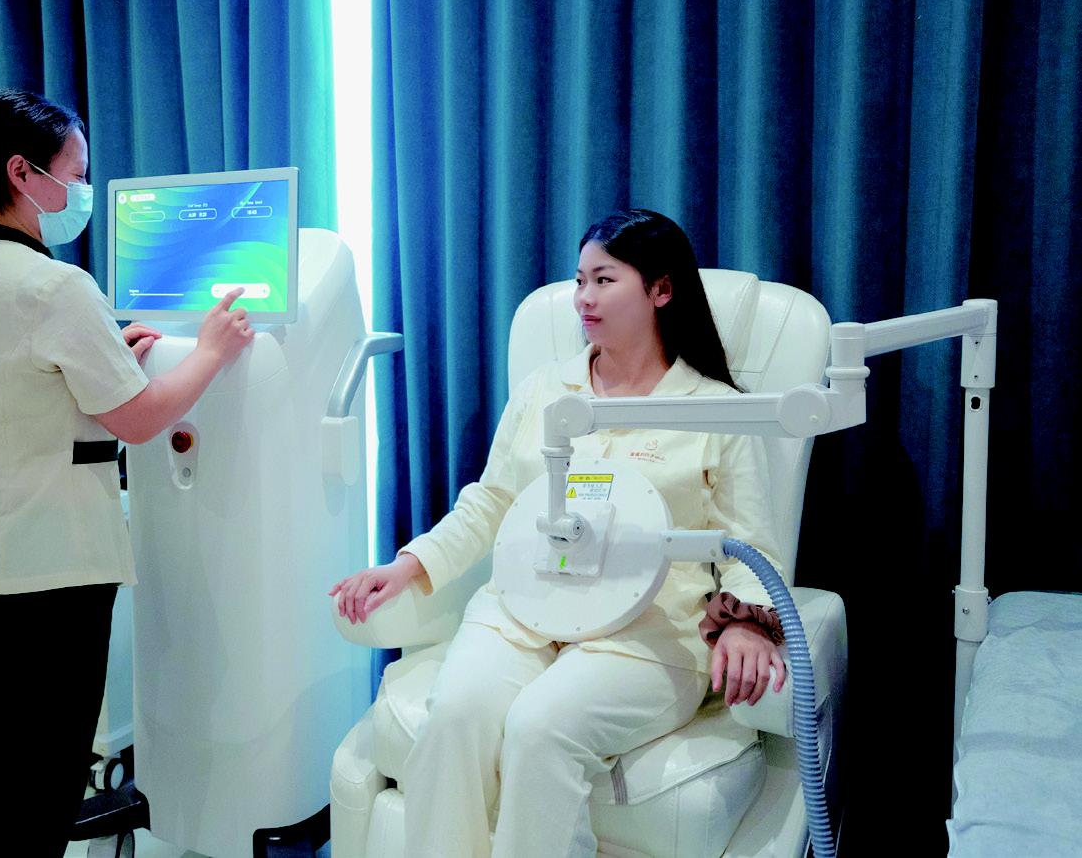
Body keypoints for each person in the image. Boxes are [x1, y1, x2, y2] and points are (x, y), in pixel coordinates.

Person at [329, 209, 788, 858]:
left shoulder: (715, 409)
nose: (583, 298)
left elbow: (753, 546)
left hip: (648, 629)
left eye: (604, 280)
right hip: (524, 609)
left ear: (660, 289)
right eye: (579, 281)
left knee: (540, 728)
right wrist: (408, 565)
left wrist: (747, 625)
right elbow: (491, 501)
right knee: (455, 716)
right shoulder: (546, 390)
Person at [0, 88, 252, 855]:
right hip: (45, 582)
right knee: (38, 797)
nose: (82, 191)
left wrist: (105, 354)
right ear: (22, 173)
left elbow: (23, 387)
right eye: (75, 174)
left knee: (6, 782)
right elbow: (138, 420)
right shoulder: (54, 287)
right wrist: (211, 351)